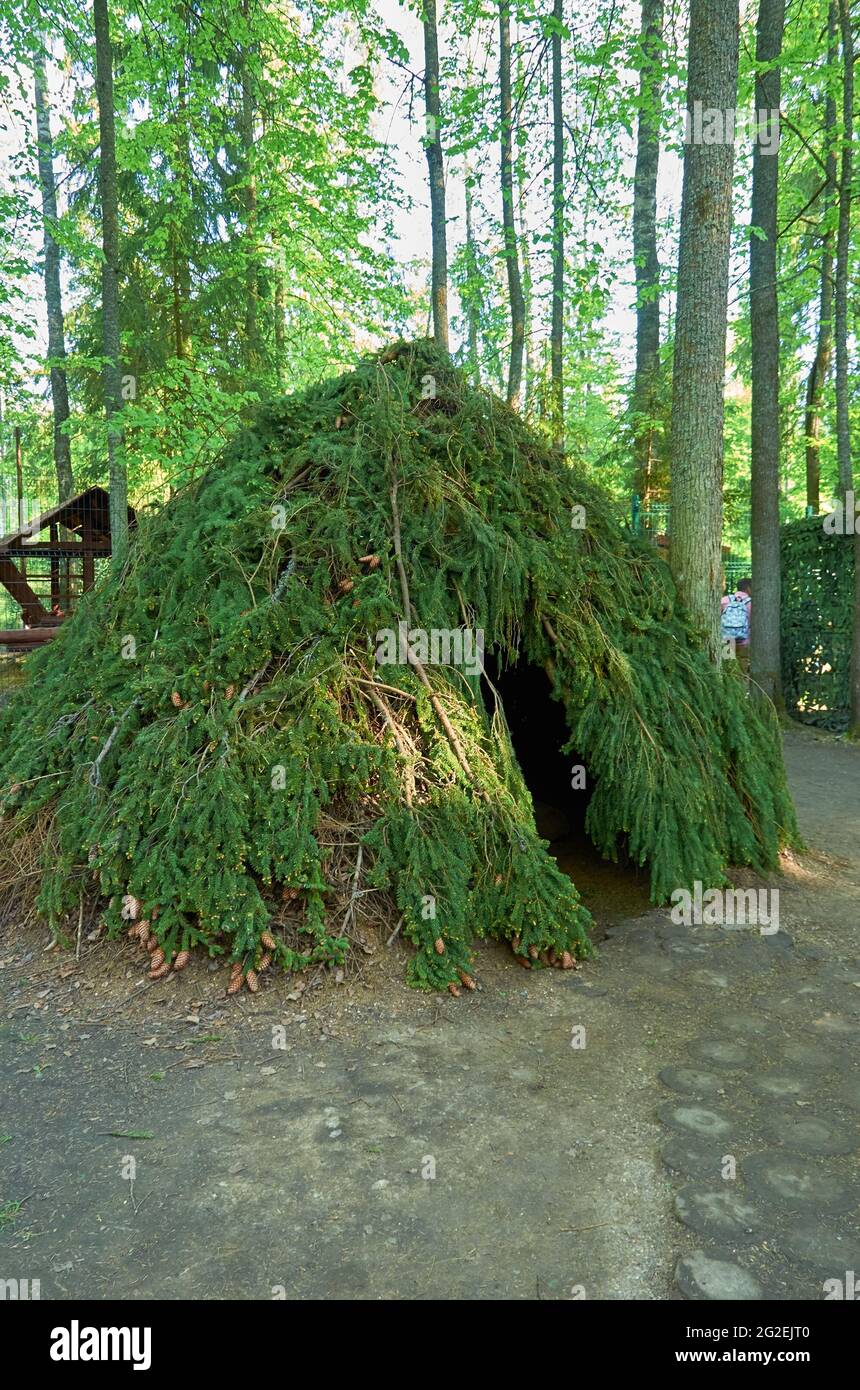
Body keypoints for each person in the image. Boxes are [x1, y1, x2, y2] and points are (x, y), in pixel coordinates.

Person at [720, 577, 751, 649]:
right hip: (745, 641)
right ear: (748, 588)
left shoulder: (724, 600)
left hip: (727, 640)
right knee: (745, 659)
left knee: (728, 658)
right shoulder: (752, 603)